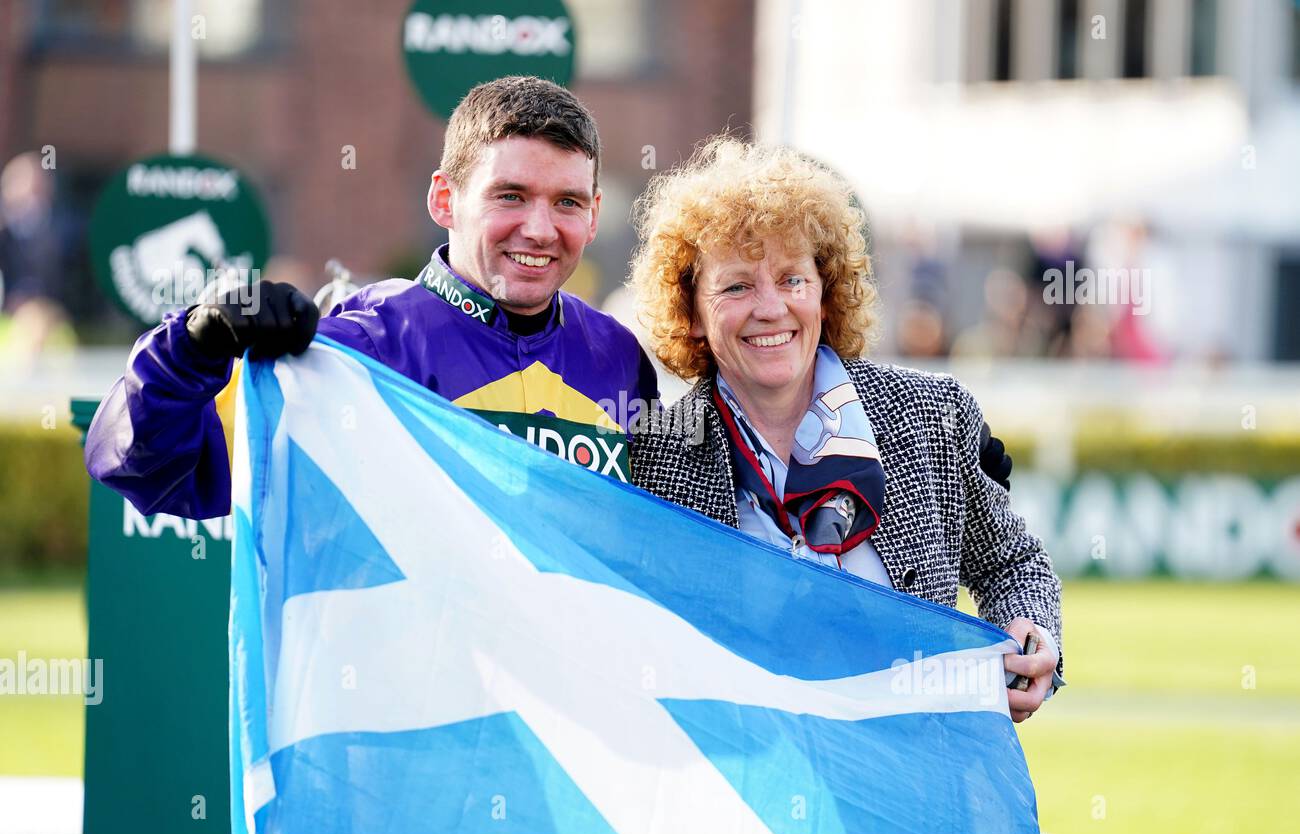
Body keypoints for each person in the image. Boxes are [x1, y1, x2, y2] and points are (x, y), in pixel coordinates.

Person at [628, 138, 1063, 721]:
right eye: (736, 286)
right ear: (693, 313)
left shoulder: (932, 413)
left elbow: (1012, 564)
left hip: (909, 777)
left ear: (827, 293)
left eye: (792, 279)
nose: (770, 307)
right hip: (742, 788)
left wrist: (1033, 640)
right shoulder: (654, 453)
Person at [85, 76, 658, 518]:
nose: (539, 229)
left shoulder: (617, 356)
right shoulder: (358, 347)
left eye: (567, 202)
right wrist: (191, 345)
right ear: (443, 200)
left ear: (594, 215)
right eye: (510, 196)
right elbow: (151, 473)